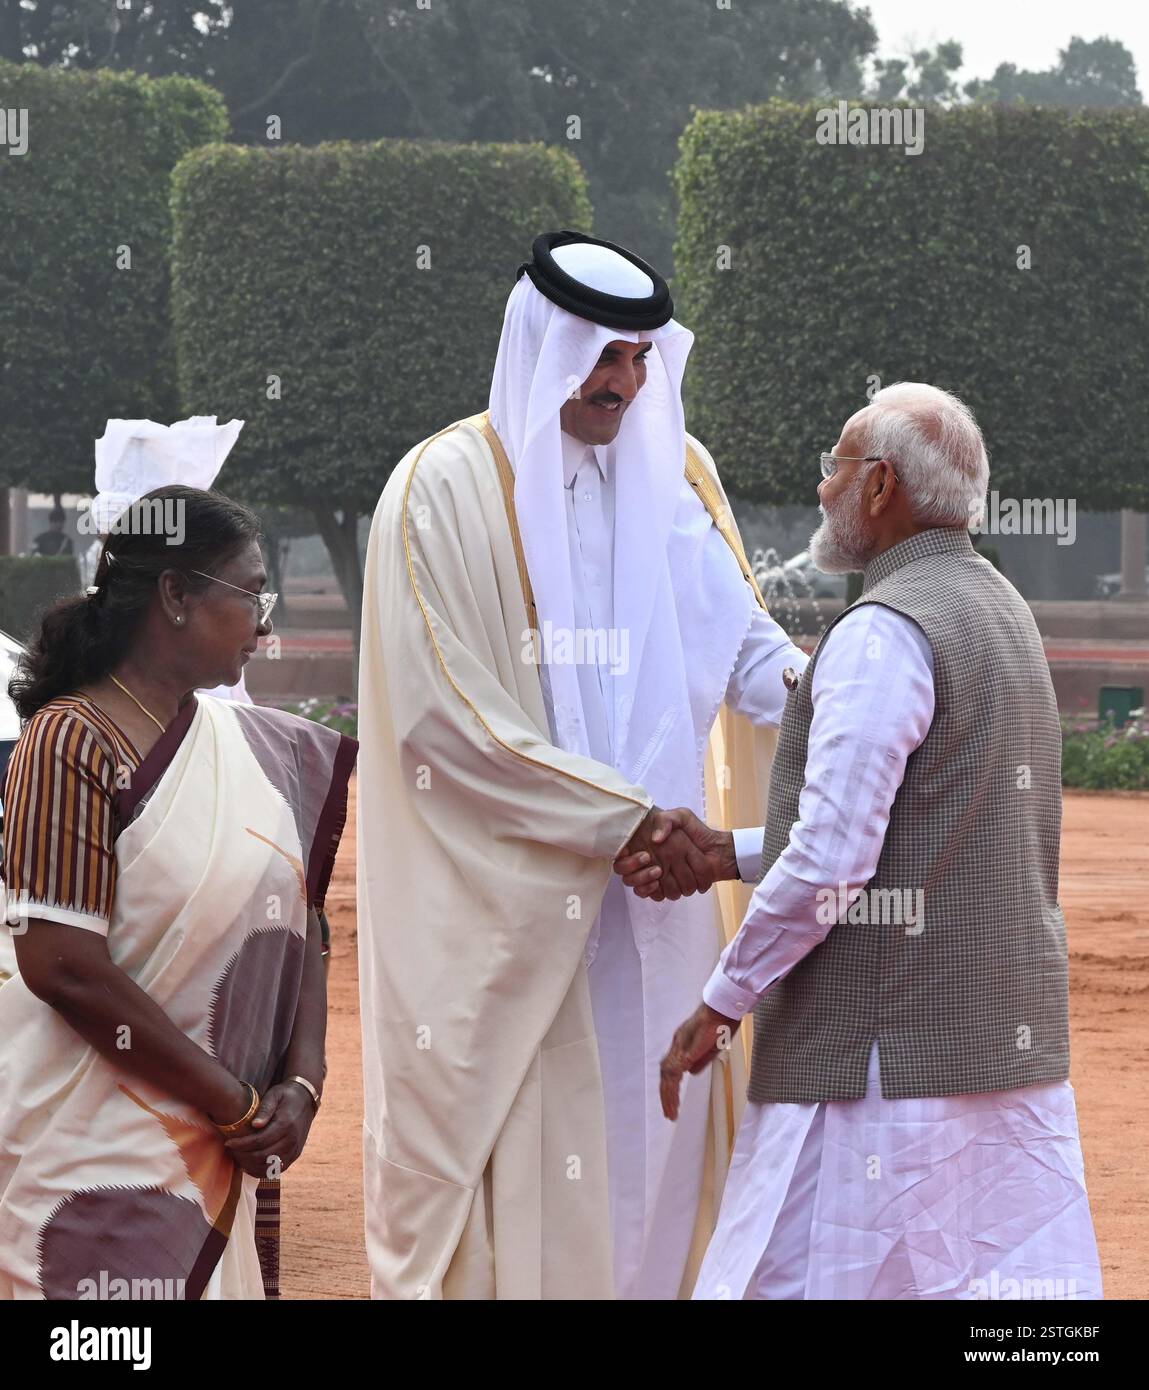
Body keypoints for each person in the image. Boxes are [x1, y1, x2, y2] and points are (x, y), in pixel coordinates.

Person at [357, 230, 806, 1299]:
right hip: (522, 914)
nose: (624, 383)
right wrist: (620, 823)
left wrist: (851, 697)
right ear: (549, 346)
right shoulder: (445, 488)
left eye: (641, 360)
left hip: (664, 906)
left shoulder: (672, 469)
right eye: (605, 358)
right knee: (540, 1172)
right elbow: (440, 714)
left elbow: (744, 648)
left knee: (660, 1155)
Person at [661, 383, 1104, 1301]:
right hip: (995, 1050)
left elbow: (832, 859)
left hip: (878, 1063)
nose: (822, 487)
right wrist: (730, 852)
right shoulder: (999, 608)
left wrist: (721, 999)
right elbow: (921, 818)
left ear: (880, 486)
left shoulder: (884, 630)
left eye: (835, 465)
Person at [0, 486, 356, 1300]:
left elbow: (300, 920)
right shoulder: (72, 741)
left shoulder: (258, 749)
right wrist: (231, 1104)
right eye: (249, 593)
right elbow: (62, 965)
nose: (264, 624)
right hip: (92, 1157)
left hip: (217, 1156)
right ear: (174, 595)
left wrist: (300, 1086)